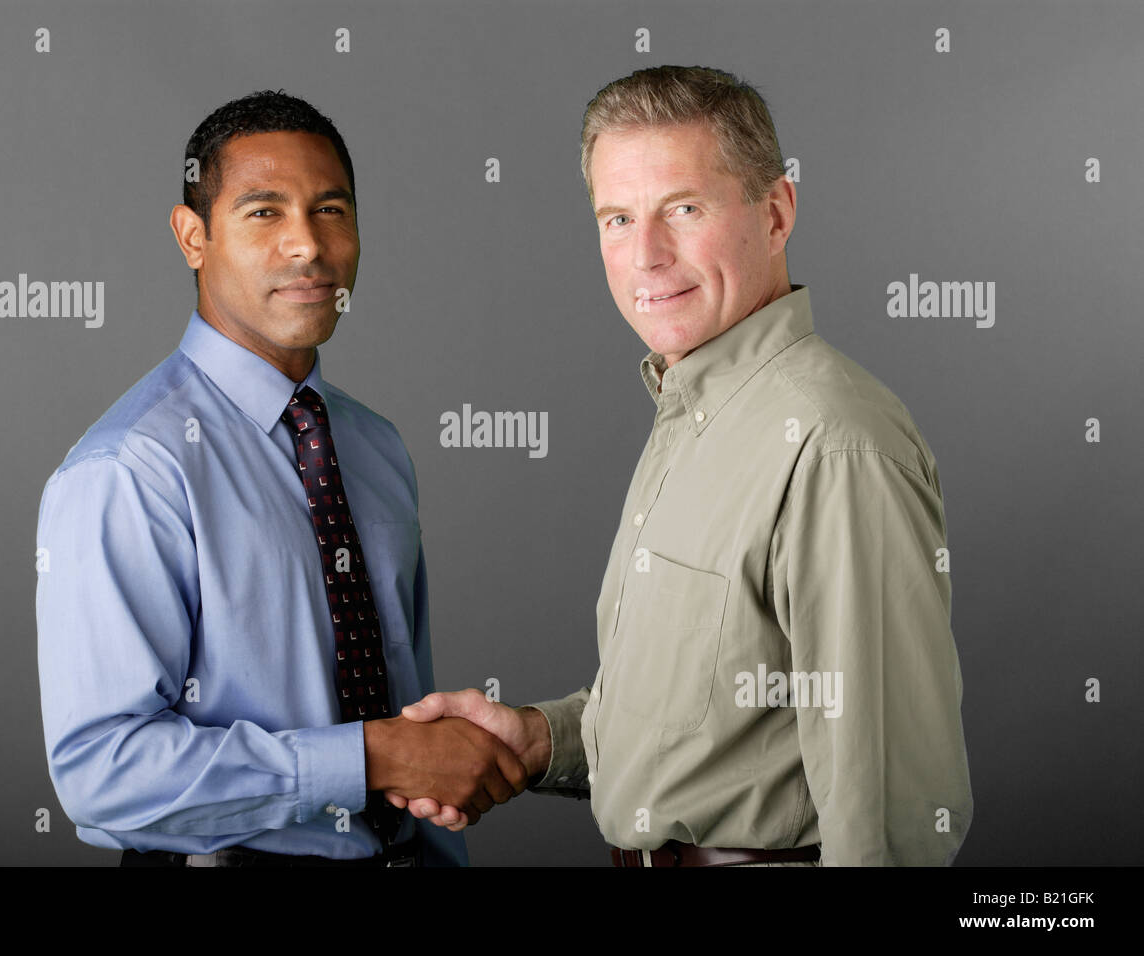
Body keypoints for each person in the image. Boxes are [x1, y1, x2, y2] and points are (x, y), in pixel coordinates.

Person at [388, 65, 974, 867]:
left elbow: (893, 819)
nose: (646, 257)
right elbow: (714, 727)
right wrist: (535, 741)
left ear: (775, 214)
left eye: (683, 209)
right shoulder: (692, 403)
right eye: (618, 218)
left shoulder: (832, 443)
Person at [35, 89, 527, 868]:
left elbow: (410, 718)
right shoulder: (130, 469)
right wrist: (368, 759)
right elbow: (102, 773)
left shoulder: (373, 448)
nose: (308, 246)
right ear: (192, 236)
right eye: (264, 212)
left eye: (330, 210)